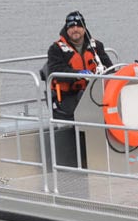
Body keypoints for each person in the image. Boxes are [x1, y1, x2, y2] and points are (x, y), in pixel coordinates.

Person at [45, 10, 113, 167]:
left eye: (78, 26)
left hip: (94, 92)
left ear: (84, 28)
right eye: (71, 27)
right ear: (66, 29)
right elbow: (56, 72)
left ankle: (114, 150)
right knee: (86, 112)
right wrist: (77, 74)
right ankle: (87, 158)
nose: (75, 30)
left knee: (110, 107)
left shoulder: (97, 46)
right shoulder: (56, 49)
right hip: (68, 96)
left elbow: (111, 68)